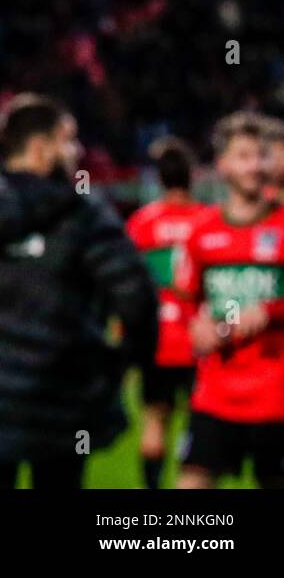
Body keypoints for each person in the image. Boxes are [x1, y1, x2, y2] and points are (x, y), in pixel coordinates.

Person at [0, 92, 157, 488]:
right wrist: (116, 368)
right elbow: (136, 299)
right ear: (41, 148)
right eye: (69, 139)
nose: (77, 151)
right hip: (61, 401)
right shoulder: (81, 214)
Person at [175, 112, 284, 489]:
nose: (254, 166)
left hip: (277, 396)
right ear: (222, 165)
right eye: (243, 156)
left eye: (261, 155)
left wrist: (270, 310)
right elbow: (188, 299)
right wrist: (196, 325)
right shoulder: (201, 233)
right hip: (216, 396)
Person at [124, 137, 207, 488]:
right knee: (200, 422)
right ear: (193, 176)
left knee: (155, 421)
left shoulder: (142, 223)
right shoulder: (206, 221)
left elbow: (127, 286)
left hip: (155, 338)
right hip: (196, 338)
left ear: (158, 178)